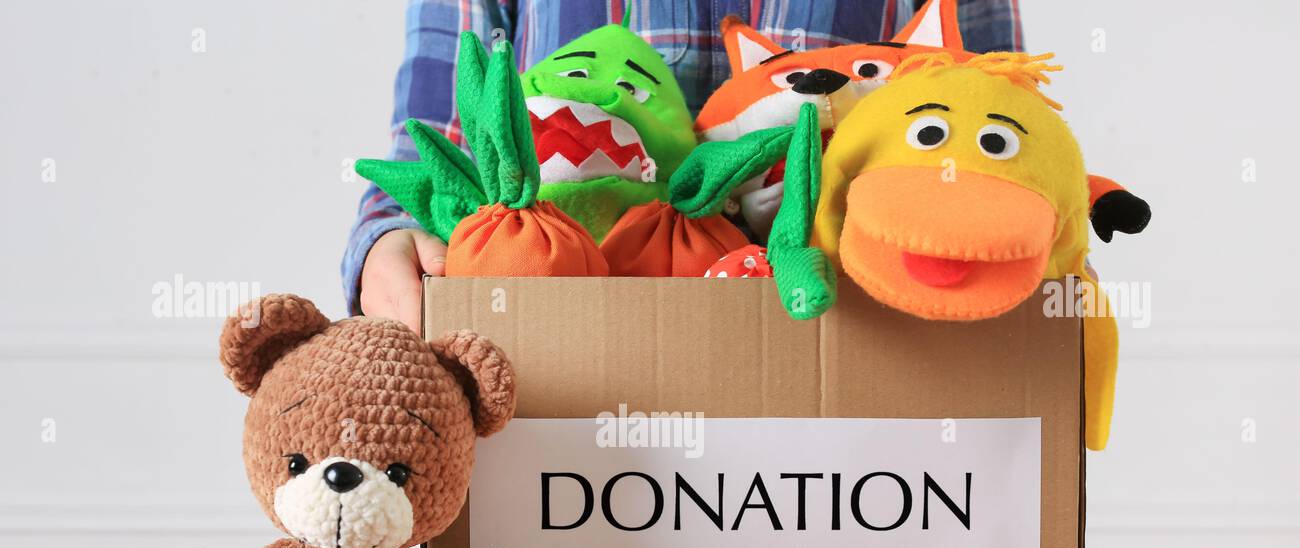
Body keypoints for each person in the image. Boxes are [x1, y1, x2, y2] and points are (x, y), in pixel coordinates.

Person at [344, 0, 1024, 331]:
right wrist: (390, 234)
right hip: (560, 332)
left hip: (859, 327)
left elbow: (997, 102)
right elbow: (443, 117)